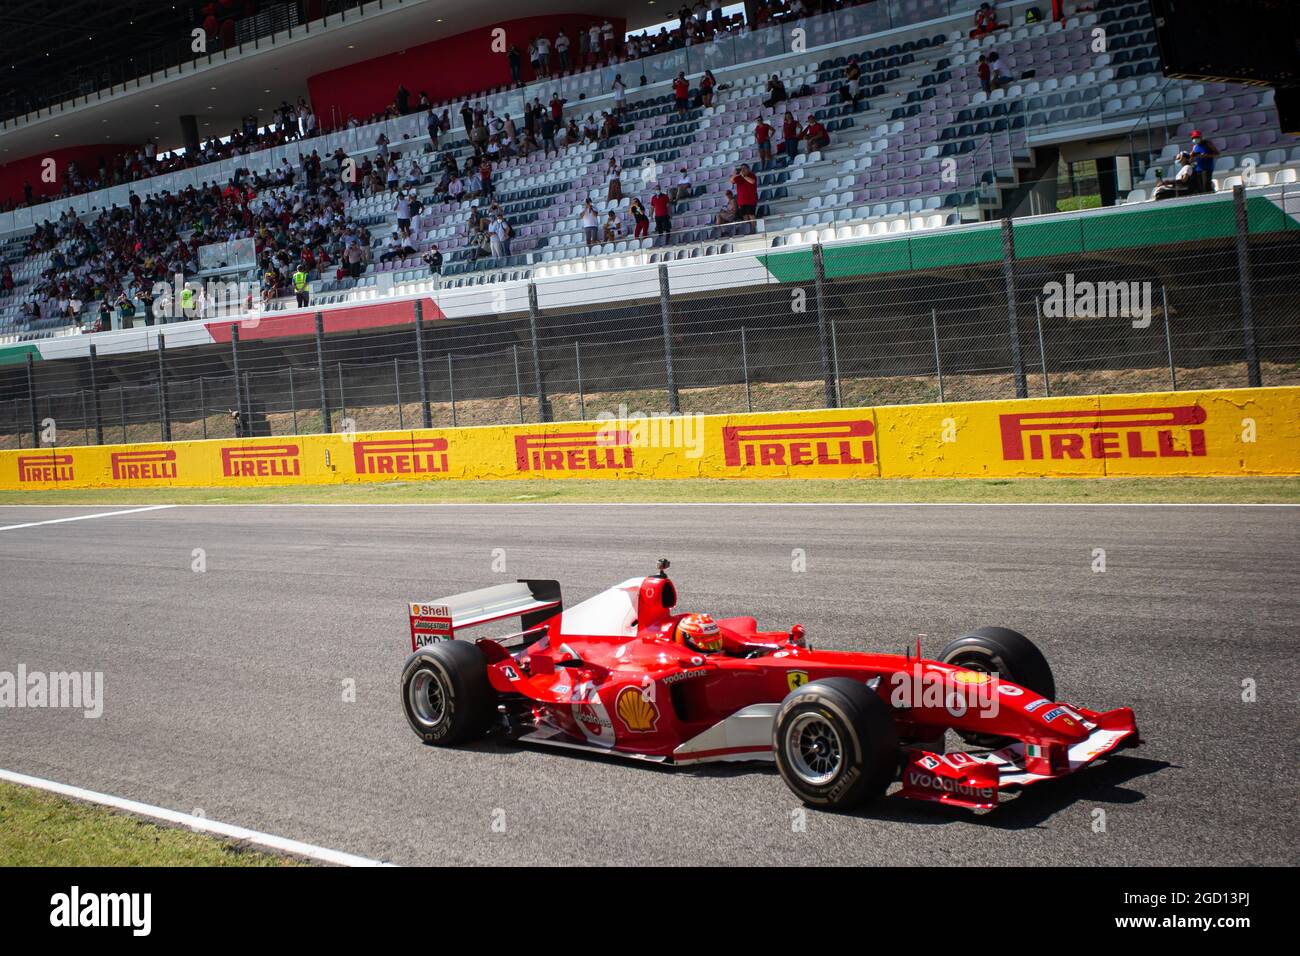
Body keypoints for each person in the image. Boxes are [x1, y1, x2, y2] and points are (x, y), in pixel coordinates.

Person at [1190, 130, 1219, 194]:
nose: (1195, 139)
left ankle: (1212, 198)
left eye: (1197, 137)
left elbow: (1217, 153)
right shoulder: (1194, 146)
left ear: (1201, 137)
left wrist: (1206, 155)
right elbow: (1191, 159)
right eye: (1194, 138)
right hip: (1198, 169)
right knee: (1201, 188)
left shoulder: (1207, 144)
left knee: (1206, 186)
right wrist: (1192, 155)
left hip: (1207, 168)